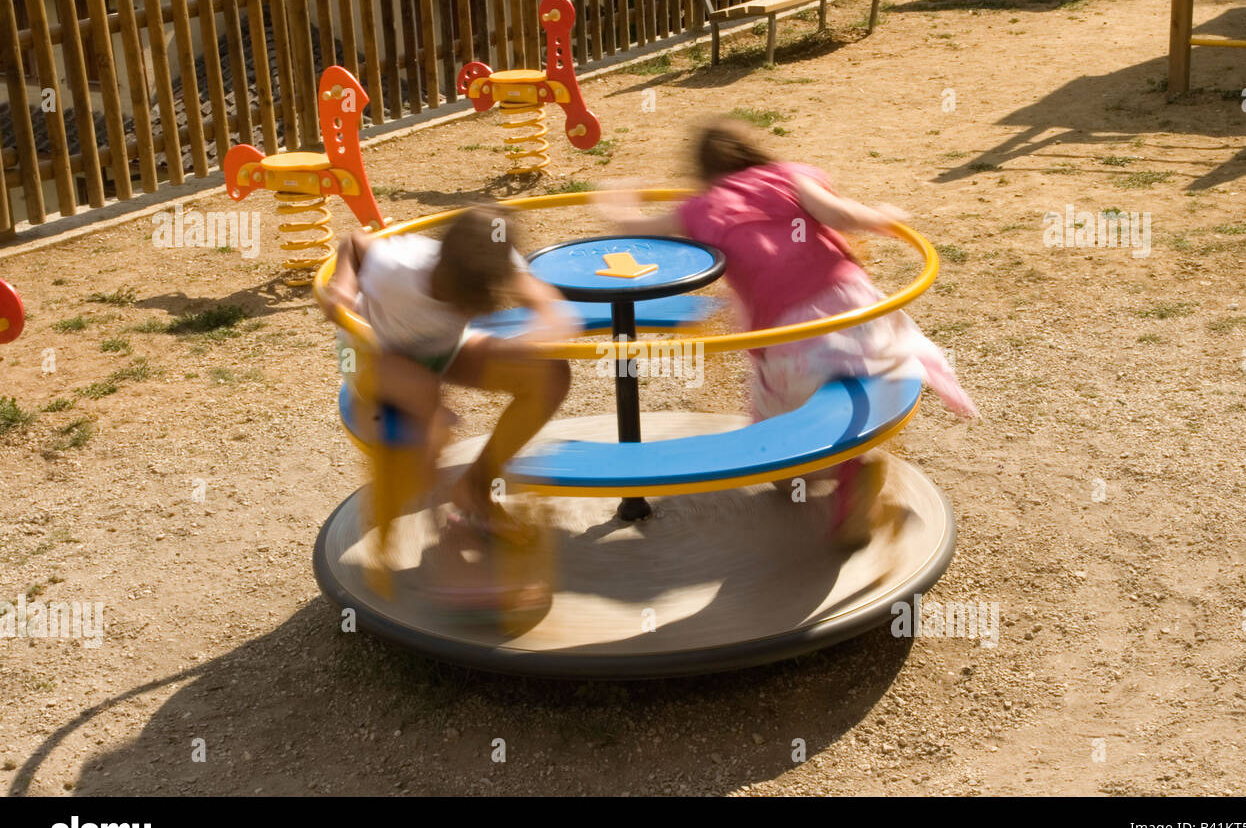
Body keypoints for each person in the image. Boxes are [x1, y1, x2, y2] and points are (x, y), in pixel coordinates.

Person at [597, 119, 977, 543]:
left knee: (786, 430)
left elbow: (642, 230)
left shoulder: (700, 207)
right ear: (753, 154)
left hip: (789, 335)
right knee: (829, 409)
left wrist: (617, 206)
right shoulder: (788, 176)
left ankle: (850, 472)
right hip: (851, 310)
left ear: (704, 174)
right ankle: (847, 475)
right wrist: (881, 218)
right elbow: (839, 214)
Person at [324, 206, 577, 602]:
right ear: (444, 274)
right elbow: (354, 242)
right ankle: (443, 535)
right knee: (428, 402)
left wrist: (539, 331)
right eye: (465, 304)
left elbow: (546, 302)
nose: (471, 312)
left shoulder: (492, 249)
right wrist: (342, 285)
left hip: (440, 351)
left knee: (550, 375)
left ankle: (474, 492)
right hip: (373, 356)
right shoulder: (398, 266)